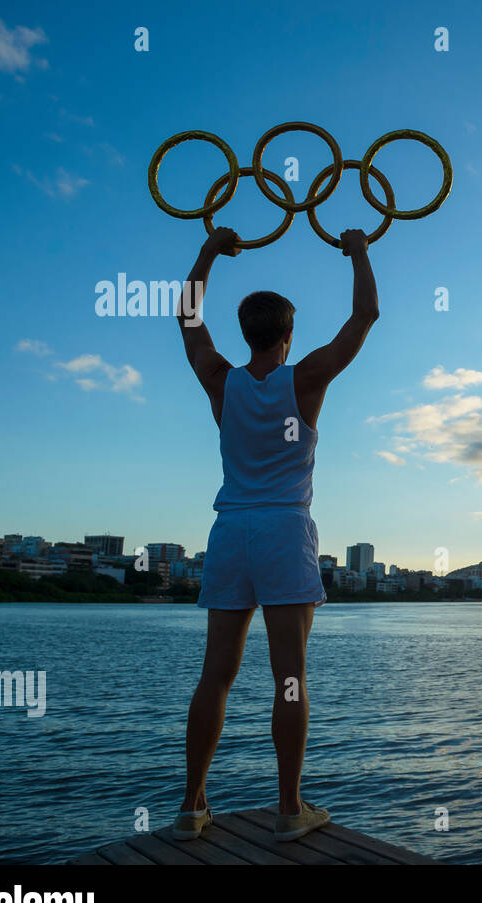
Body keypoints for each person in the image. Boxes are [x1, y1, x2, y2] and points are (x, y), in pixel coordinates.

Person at [170, 225, 379, 842]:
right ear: (288, 336)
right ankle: (290, 810)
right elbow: (365, 313)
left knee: (215, 675)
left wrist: (211, 250)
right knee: (290, 676)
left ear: (246, 334)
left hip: (231, 530)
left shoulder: (220, 380)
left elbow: (187, 315)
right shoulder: (305, 378)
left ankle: (190, 808)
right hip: (284, 531)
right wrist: (358, 250)